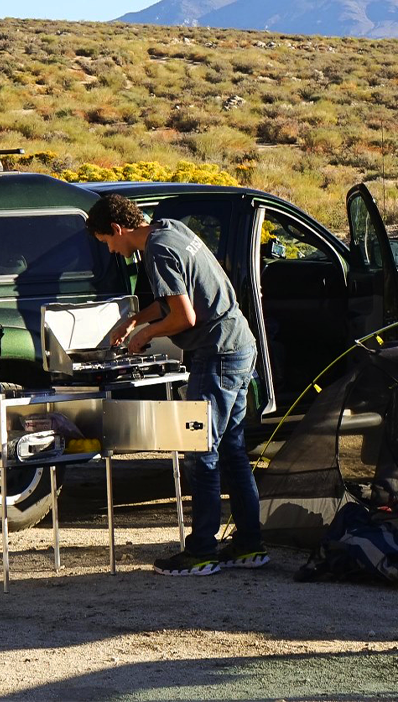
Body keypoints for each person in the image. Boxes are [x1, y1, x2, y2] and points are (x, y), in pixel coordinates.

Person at [85, 193, 268, 576]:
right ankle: (251, 544)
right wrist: (135, 320)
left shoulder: (157, 251)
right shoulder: (170, 231)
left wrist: (145, 334)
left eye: (108, 243)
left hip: (216, 354)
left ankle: (202, 551)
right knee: (232, 450)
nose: (113, 252)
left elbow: (183, 316)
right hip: (239, 345)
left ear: (117, 229)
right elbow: (177, 298)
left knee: (200, 452)